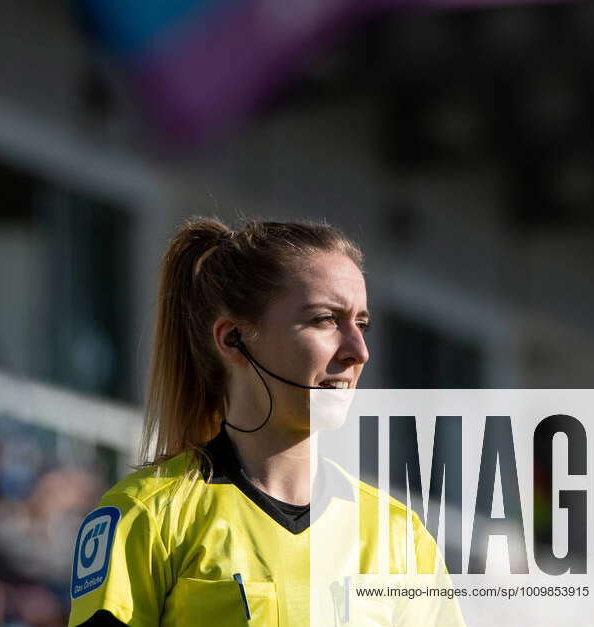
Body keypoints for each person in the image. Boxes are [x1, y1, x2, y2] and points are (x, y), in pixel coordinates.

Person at [68, 218, 461, 627]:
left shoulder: (400, 536)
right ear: (232, 338)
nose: (358, 350)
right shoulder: (146, 514)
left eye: (361, 324)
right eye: (326, 319)